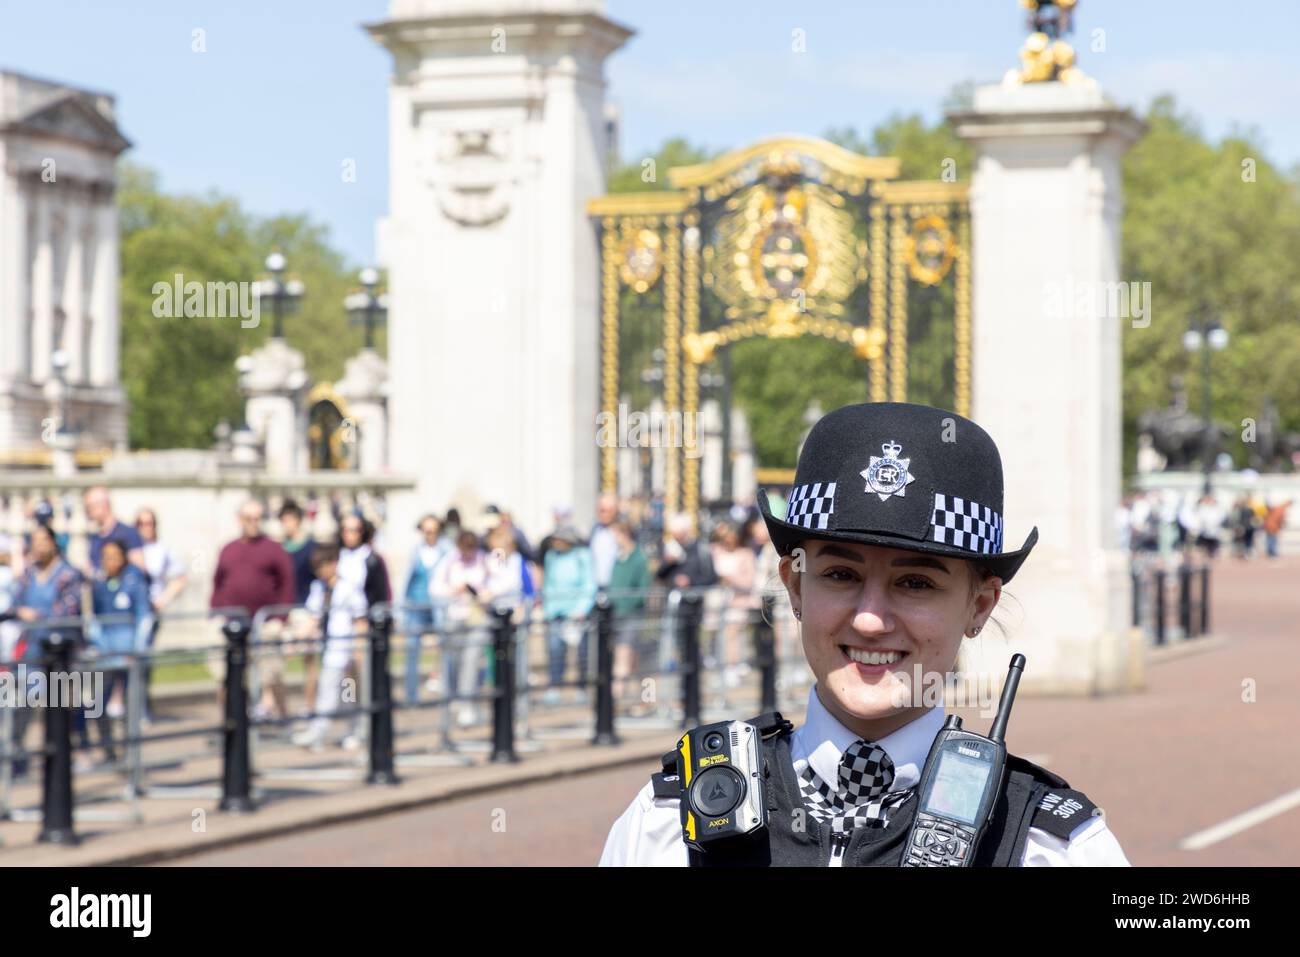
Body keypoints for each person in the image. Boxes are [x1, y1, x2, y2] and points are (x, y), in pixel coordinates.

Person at [600, 401, 1130, 867]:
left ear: (981, 604)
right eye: (841, 575)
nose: (870, 619)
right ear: (795, 587)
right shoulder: (670, 826)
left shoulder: (1047, 848)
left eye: (916, 582)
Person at [6, 524, 84, 776]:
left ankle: (65, 757)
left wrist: (37, 615)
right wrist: (20, 612)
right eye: (35, 541)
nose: (39, 545)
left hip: (60, 652)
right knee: (22, 702)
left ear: (54, 542)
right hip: (32, 649)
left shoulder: (68, 574)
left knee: (61, 707)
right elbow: (16, 603)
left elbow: (69, 610)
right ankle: (17, 755)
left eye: (43, 540)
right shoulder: (29, 573)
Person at [209, 501, 295, 721]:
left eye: (258, 518)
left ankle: (283, 718)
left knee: (271, 675)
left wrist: (281, 618)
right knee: (227, 676)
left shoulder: (273, 549)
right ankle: (229, 721)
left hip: (265, 623)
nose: (254, 523)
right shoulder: (228, 549)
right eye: (249, 518)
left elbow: (287, 583)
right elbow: (218, 582)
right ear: (240, 520)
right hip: (232, 624)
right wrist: (215, 612)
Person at [293, 544, 367, 751]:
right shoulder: (319, 589)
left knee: (347, 694)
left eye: (323, 566)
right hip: (329, 648)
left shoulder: (349, 588)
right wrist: (299, 637)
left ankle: (349, 730)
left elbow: (360, 621)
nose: (320, 572)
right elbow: (312, 617)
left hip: (345, 648)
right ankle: (327, 731)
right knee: (331, 690)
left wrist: (358, 650)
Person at [86, 540, 153, 761]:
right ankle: (108, 749)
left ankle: (130, 753)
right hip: (106, 652)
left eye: (114, 556)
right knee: (96, 702)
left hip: (129, 652)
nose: (109, 561)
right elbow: (95, 618)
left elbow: (144, 617)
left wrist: (138, 649)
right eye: (105, 556)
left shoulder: (135, 580)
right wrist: (96, 644)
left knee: (130, 703)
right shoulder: (100, 582)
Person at [431, 529, 490, 727]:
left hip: (476, 618)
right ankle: (455, 697)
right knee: (455, 661)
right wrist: (454, 590)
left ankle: (467, 704)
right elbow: (435, 587)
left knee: (471, 661)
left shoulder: (485, 560)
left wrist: (483, 592)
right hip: (455, 617)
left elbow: (498, 581)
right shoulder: (449, 561)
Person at [135, 508, 187, 723]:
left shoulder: (162, 549)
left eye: (149, 523)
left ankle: (142, 707)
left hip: (148, 612)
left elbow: (179, 577)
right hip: (129, 611)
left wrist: (162, 600)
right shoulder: (131, 548)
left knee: (143, 661)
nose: (146, 528)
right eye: (141, 523)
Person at [541, 525, 597, 705]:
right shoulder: (551, 557)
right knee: (555, 650)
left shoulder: (582, 556)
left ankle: (581, 688)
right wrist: (548, 609)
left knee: (581, 653)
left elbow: (589, 584)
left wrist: (581, 609)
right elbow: (548, 583)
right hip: (556, 613)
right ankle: (554, 686)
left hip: (577, 614)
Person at [403, 514, 449, 702]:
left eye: (433, 531)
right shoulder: (415, 551)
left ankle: (446, 689)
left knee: (445, 646)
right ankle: (411, 694)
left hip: (439, 605)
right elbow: (407, 580)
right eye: (426, 531)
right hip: (417, 605)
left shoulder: (446, 550)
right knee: (412, 648)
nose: (430, 534)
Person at [607, 521, 651, 704]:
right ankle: (645, 700)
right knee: (632, 662)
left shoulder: (639, 558)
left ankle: (612, 702)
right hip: (616, 616)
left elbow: (643, 590)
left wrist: (626, 603)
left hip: (632, 616)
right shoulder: (618, 558)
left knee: (623, 657)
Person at [83, 486, 146, 574]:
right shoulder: (94, 538)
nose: (86, 512)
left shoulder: (127, 534)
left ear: (103, 505)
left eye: (89, 507)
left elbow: (140, 569)